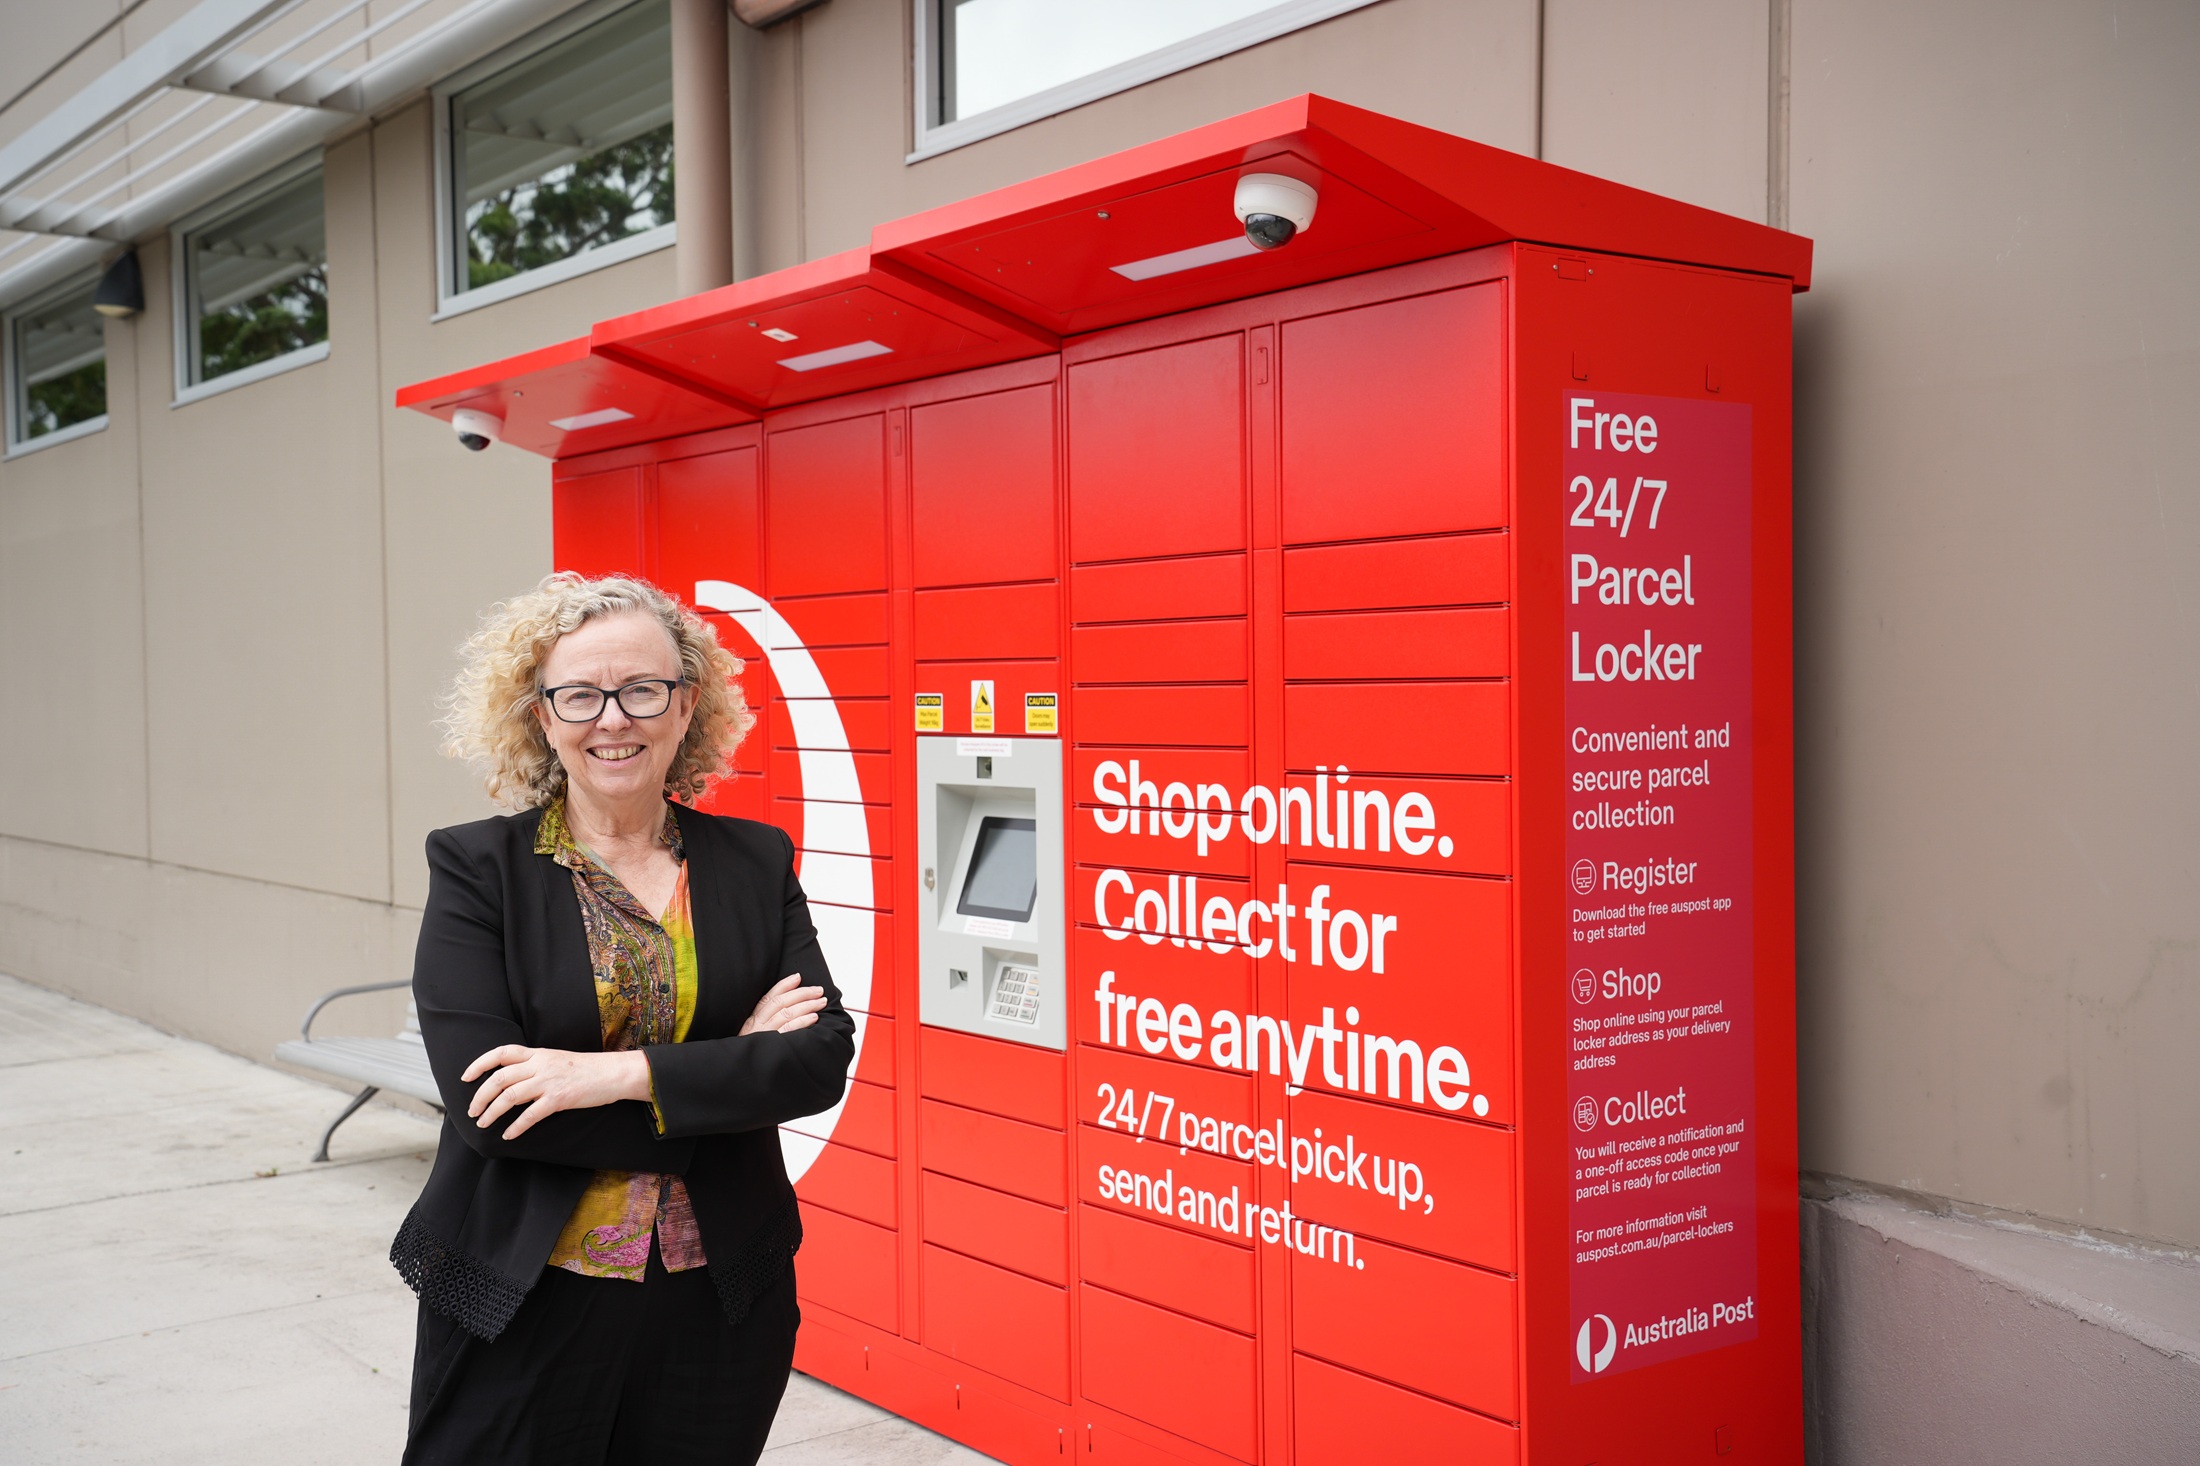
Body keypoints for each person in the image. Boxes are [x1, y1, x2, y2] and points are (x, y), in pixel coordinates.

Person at [392, 572, 854, 1465]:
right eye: (580, 695)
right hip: (522, 1293)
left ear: (687, 706)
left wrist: (604, 1075)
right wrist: (730, 1073)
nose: (613, 719)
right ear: (542, 716)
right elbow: (493, 1112)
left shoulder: (754, 861)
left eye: (643, 689)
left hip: (720, 1294)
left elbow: (818, 1059)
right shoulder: (478, 870)